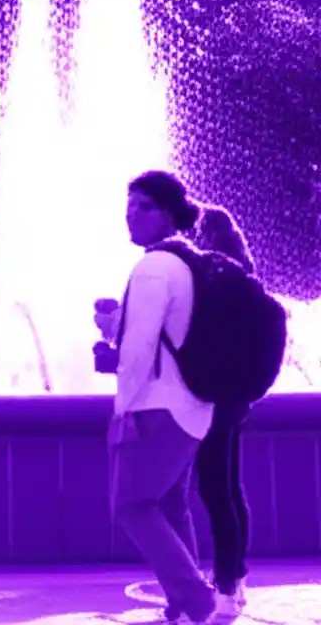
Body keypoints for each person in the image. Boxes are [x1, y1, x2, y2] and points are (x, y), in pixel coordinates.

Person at [108, 171, 216, 623]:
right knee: (170, 504)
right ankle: (183, 607)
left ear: (170, 214)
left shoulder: (153, 267)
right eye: (130, 205)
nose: (132, 214)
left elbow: (139, 347)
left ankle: (197, 599)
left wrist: (122, 408)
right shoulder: (186, 262)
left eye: (146, 206)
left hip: (157, 406)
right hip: (192, 405)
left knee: (132, 505)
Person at [192, 204, 255, 614]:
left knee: (216, 489)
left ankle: (227, 584)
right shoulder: (244, 276)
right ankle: (236, 576)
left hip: (214, 394)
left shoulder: (216, 278)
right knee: (229, 486)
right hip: (235, 396)